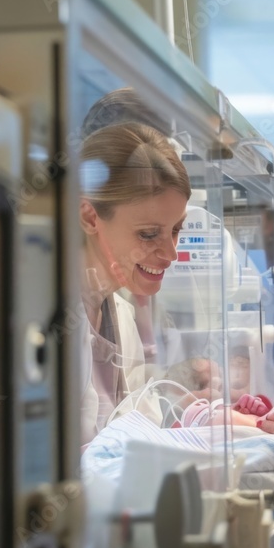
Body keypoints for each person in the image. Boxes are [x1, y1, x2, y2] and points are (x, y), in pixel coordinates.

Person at [78, 121, 191, 447]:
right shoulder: (43, 318)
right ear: (89, 217)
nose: (171, 253)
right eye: (149, 234)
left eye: (176, 229)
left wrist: (189, 410)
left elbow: (134, 441)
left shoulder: (122, 319)